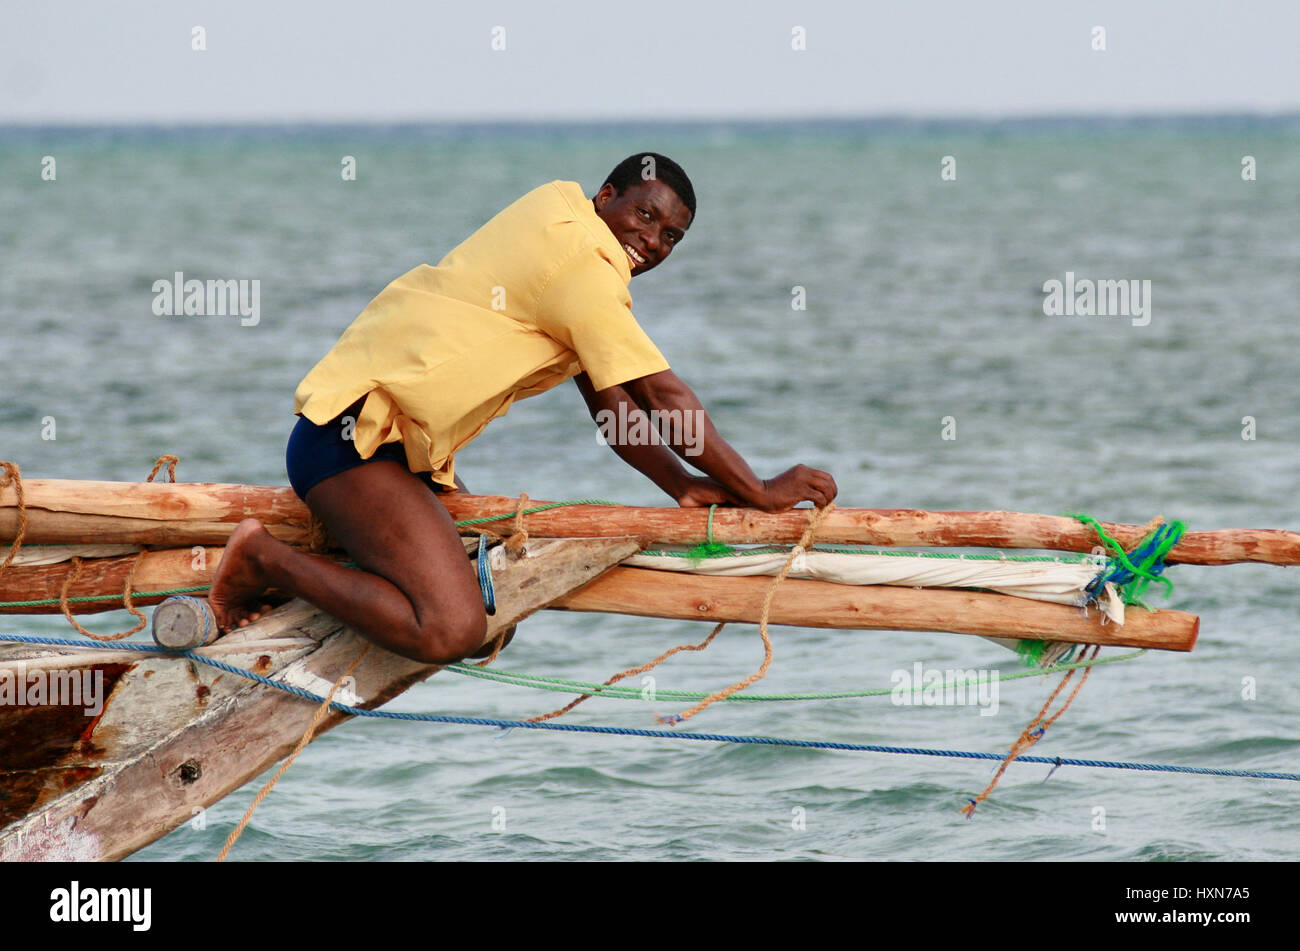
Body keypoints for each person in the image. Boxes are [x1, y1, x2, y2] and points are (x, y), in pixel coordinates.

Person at [209, 153, 837, 663]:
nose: (652, 241)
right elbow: (660, 395)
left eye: (670, 236)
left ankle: (311, 577)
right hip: (351, 443)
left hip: (397, 454)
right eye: (644, 215)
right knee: (450, 630)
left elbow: (612, 407)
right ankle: (262, 559)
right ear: (606, 196)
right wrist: (759, 490)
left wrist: (682, 484)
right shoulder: (582, 267)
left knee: (492, 618)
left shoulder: (560, 226)